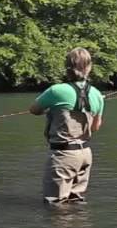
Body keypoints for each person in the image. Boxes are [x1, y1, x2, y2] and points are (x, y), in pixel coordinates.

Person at [29, 48, 105, 205]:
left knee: (55, 206)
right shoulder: (97, 94)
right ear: (89, 67)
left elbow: (34, 110)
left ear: (67, 67)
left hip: (64, 155)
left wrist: (53, 108)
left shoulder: (56, 90)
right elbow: (96, 127)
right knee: (76, 203)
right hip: (85, 154)